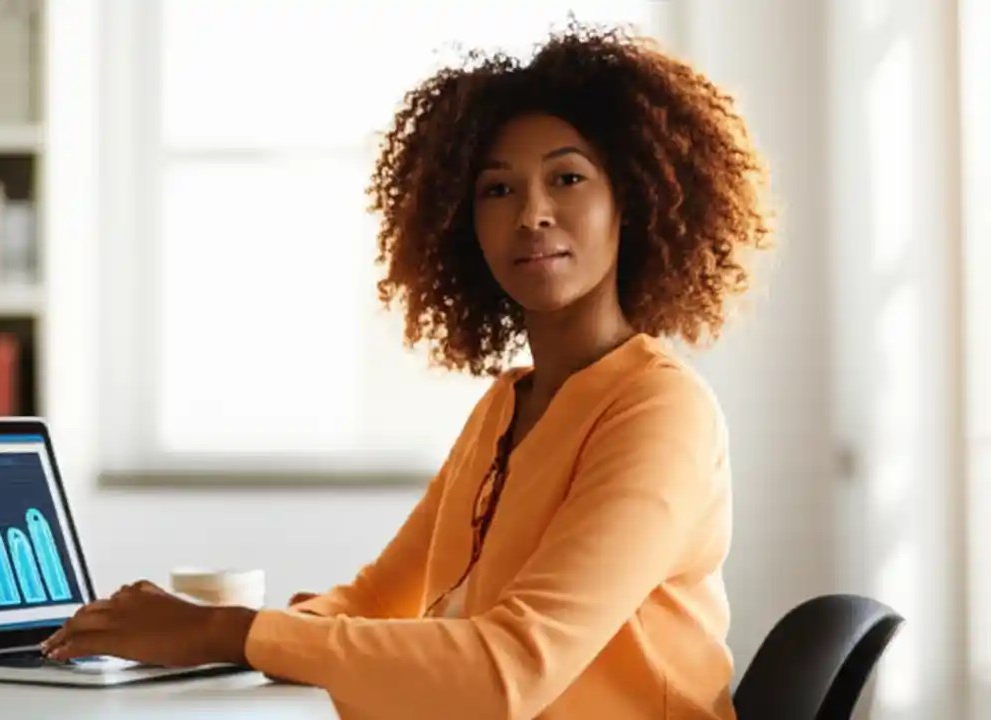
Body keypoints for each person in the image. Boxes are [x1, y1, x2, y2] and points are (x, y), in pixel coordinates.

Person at [43, 20, 772, 720]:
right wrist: (193, 637)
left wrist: (221, 633)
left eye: (569, 178)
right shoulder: (507, 405)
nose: (532, 213)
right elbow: (377, 596)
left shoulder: (660, 411)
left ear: (632, 201)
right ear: (464, 225)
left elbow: (509, 668)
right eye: (497, 189)